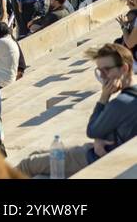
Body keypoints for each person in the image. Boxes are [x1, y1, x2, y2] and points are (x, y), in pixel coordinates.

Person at [17, 42, 137, 177]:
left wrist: (104, 96)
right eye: (99, 71)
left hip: (94, 159)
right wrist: (98, 140)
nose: (102, 77)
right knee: (36, 155)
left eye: (107, 70)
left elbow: (92, 130)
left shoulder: (121, 103)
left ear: (124, 69)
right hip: (99, 150)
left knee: (27, 164)